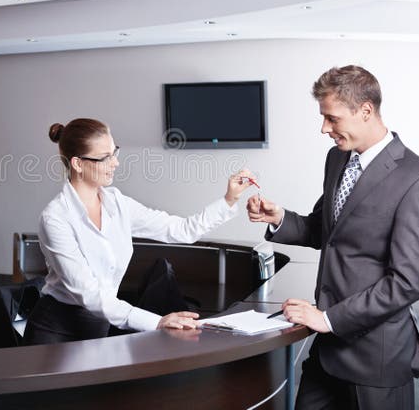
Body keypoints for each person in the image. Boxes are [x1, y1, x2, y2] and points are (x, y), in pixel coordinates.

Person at [246, 65, 419, 409]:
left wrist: (326, 319)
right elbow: (326, 231)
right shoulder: (336, 159)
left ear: (365, 110)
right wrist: (279, 219)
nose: (324, 128)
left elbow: (408, 282)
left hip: (375, 358)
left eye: (332, 118)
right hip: (326, 350)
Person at [23, 118, 257, 345]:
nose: (115, 163)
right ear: (77, 164)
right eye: (105, 157)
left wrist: (229, 199)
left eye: (115, 152)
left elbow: (181, 230)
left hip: (98, 328)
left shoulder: (117, 203)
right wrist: (157, 322)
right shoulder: (55, 218)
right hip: (56, 333)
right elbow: (90, 294)